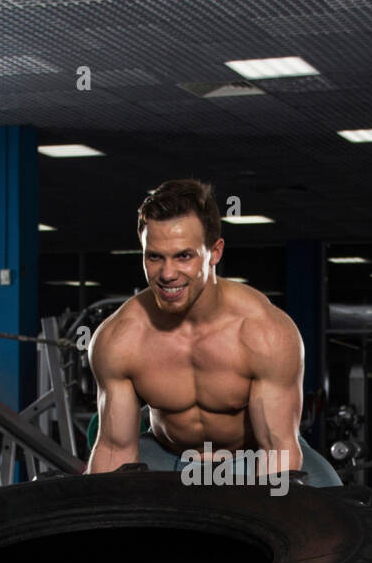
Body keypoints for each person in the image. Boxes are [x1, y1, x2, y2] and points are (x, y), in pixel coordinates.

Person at [85, 178, 341, 486]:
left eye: (184, 256)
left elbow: (277, 451)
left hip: (252, 458)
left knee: (330, 509)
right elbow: (116, 449)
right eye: (154, 256)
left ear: (215, 252)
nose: (167, 274)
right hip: (166, 458)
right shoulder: (120, 338)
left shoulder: (264, 332)